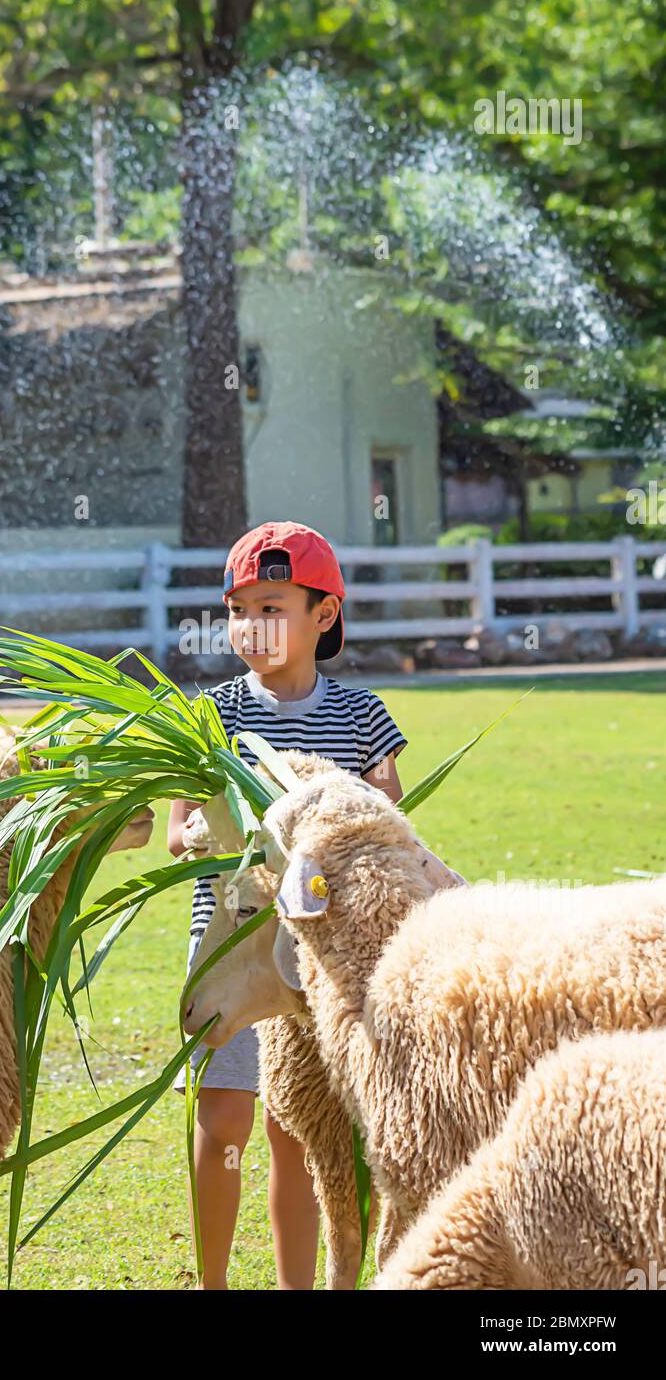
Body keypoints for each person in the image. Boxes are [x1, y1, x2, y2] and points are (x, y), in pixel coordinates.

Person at [168, 521, 463, 1289]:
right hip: (233, 940)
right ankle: (214, 1286)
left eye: (271, 605)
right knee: (224, 1116)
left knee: (296, 1126)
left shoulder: (362, 715)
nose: (250, 626)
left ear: (323, 614)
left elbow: (386, 814)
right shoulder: (211, 716)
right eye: (238, 609)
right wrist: (216, 832)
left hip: (322, 955)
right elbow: (179, 834)